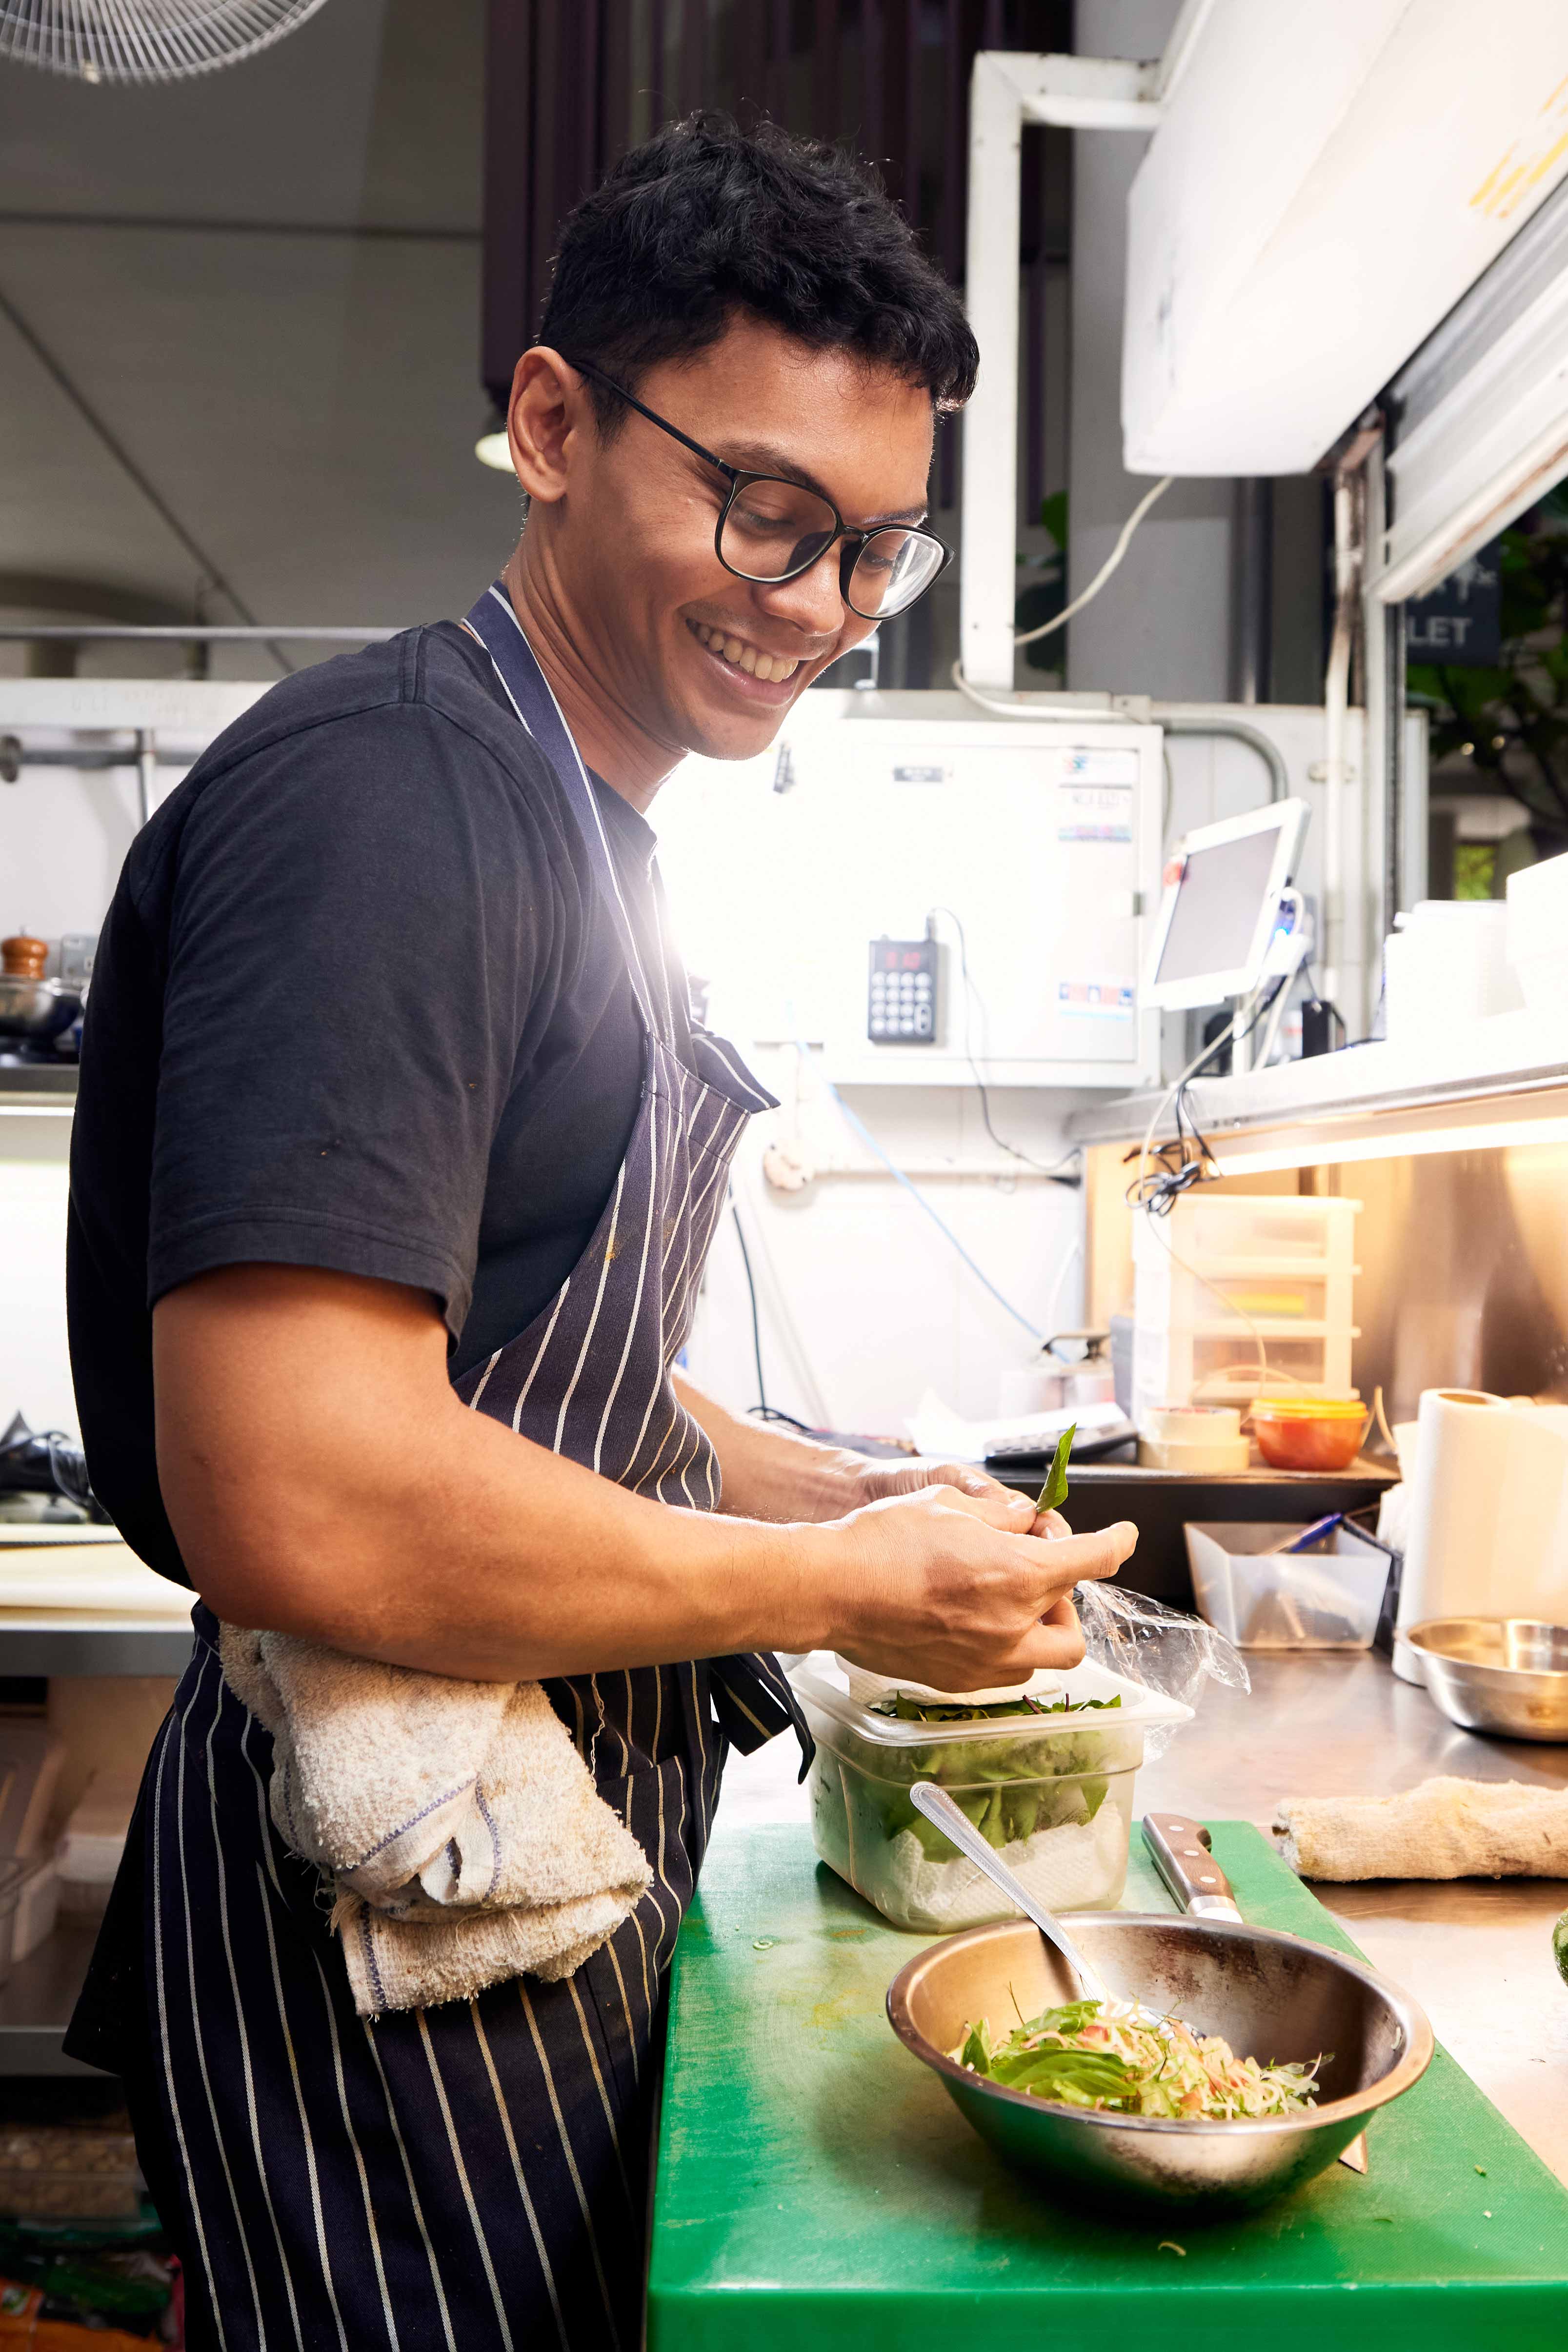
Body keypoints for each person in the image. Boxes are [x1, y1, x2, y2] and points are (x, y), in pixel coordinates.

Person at [64, 115, 1137, 2349]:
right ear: (553, 427)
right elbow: (302, 1484)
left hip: (533, 1845)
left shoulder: (582, 834)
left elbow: (542, 1376)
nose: (820, 607)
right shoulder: (391, 807)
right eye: (765, 512)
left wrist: (853, 1493)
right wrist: (848, 1590)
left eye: (878, 549)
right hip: (389, 1909)